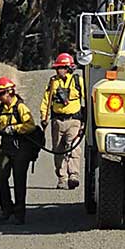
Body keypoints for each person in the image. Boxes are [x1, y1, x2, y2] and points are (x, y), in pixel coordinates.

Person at [0, 76, 42, 223]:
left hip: (21, 148)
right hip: (6, 147)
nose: (0, 97)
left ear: (10, 92)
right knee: (1, 177)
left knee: (19, 181)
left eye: (2, 94)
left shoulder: (21, 107)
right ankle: (6, 209)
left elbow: (30, 126)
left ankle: (20, 214)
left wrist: (14, 129)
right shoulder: (0, 108)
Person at [40, 52, 85, 189]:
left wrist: (85, 121)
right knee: (58, 150)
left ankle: (73, 175)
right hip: (57, 122)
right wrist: (44, 117)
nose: (58, 70)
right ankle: (62, 178)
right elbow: (46, 100)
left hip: (74, 120)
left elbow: (87, 100)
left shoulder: (78, 81)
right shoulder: (53, 82)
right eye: (57, 68)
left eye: (61, 67)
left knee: (74, 147)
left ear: (68, 68)